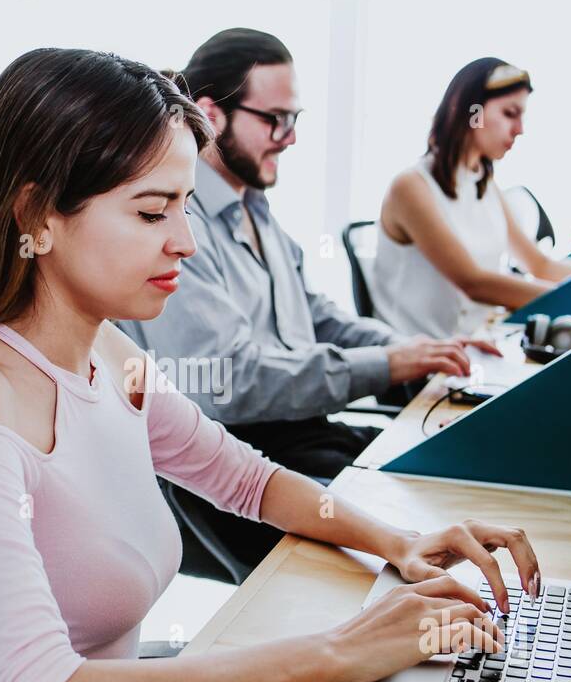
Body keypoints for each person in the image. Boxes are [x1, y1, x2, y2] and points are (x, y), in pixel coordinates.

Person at [0, 47, 539, 682]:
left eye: (185, 207)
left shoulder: (109, 352)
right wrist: (339, 652)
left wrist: (395, 541)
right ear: (35, 217)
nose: (184, 241)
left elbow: (246, 479)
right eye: (153, 212)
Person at [120, 29, 499, 575]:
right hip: (234, 452)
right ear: (213, 114)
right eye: (276, 119)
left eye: (295, 119)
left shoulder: (254, 206)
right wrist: (387, 366)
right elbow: (229, 380)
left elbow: (316, 314)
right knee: (404, 538)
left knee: (446, 478)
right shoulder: (181, 227)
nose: (290, 138)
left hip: (301, 434)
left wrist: (413, 347)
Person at [367, 57, 571, 339]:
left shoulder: (484, 182)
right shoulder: (410, 186)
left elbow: (539, 265)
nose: (520, 129)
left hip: (472, 346)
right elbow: (473, 282)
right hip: (420, 362)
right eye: (509, 113)